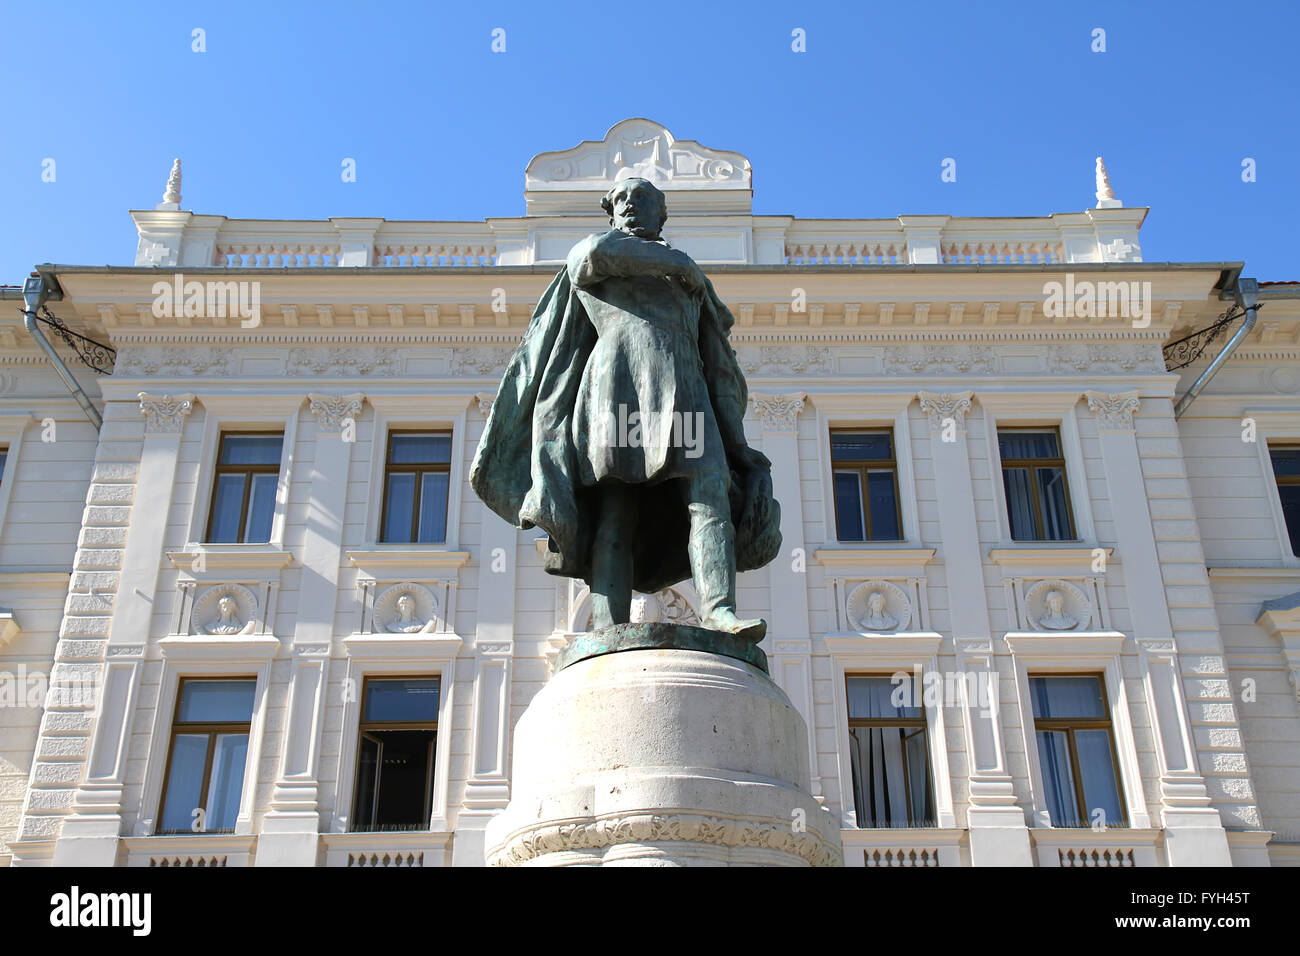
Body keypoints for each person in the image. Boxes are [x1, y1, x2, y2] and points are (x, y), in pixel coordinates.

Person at [470, 178, 780, 639]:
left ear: (662, 214)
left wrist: (736, 441)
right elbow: (588, 257)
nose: (632, 206)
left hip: (685, 394)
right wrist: (682, 263)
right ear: (610, 212)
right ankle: (608, 624)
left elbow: (718, 362)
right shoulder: (607, 259)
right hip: (615, 393)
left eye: (644, 200)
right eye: (621, 200)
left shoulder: (688, 285)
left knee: (710, 493)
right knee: (617, 506)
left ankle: (718, 611)